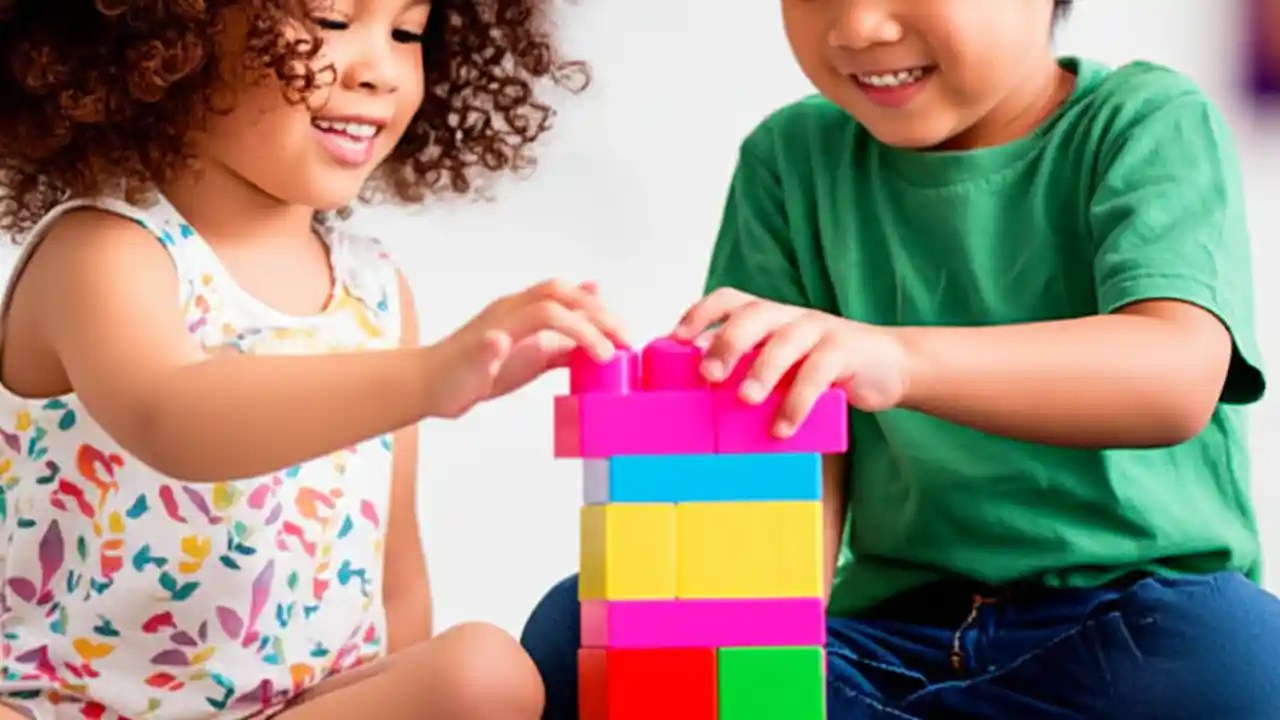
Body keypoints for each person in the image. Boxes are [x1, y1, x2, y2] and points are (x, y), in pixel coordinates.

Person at [520, 0, 1280, 717]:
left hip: (1124, 622)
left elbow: (1176, 376)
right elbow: (778, 452)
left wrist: (899, 361)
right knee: (583, 628)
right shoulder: (790, 159)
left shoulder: (1146, 122)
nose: (857, 27)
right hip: (892, 635)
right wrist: (761, 655)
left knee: (1238, 654)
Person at [0, 0, 626, 718]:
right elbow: (171, 413)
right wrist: (428, 376)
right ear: (170, 42)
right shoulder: (105, 252)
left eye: (406, 32)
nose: (378, 70)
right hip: (67, 707)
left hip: (295, 709)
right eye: (331, 21)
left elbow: (395, 580)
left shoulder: (376, 293)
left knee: (488, 674)